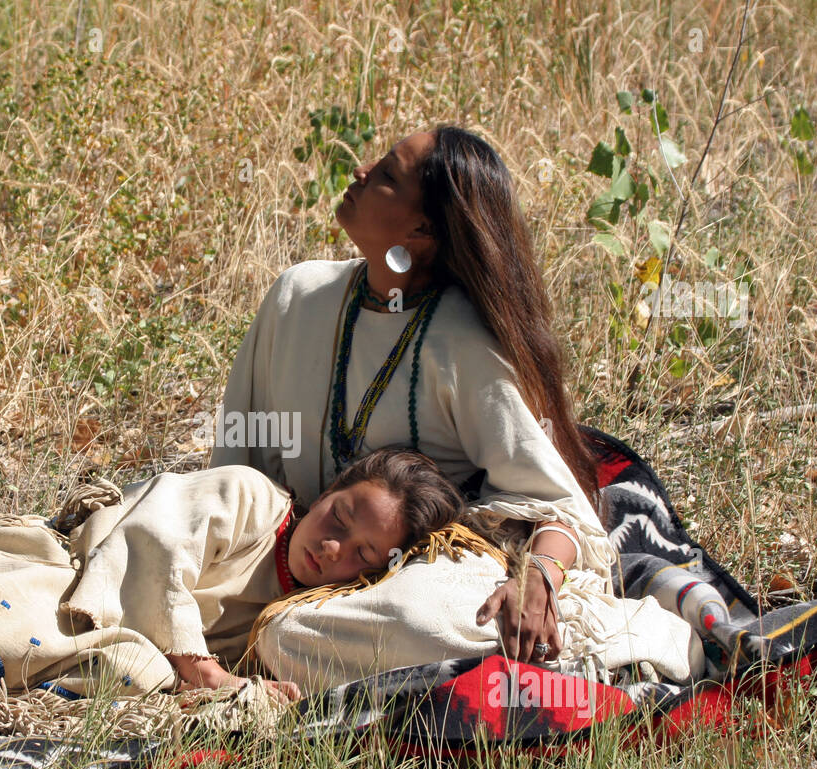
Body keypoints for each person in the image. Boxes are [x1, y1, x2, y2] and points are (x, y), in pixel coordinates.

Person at [210, 124, 614, 667]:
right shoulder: (297, 296)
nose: (360, 172)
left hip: (414, 580)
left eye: (386, 174)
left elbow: (563, 506)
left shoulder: (459, 345)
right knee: (268, 620)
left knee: (371, 625)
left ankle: (608, 640)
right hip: (287, 561)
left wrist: (538, 575)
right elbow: (236, 460)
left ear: (421, 231)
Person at [0, 449, 465, 707]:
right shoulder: (255, 501)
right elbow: (157, 541)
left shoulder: (303, 612)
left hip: (128, 651)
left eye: (362, 553)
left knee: (134, 675)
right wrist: (200, 666)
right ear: (332, 488)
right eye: (341, 516)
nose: (333, 547)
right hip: (68, 584)